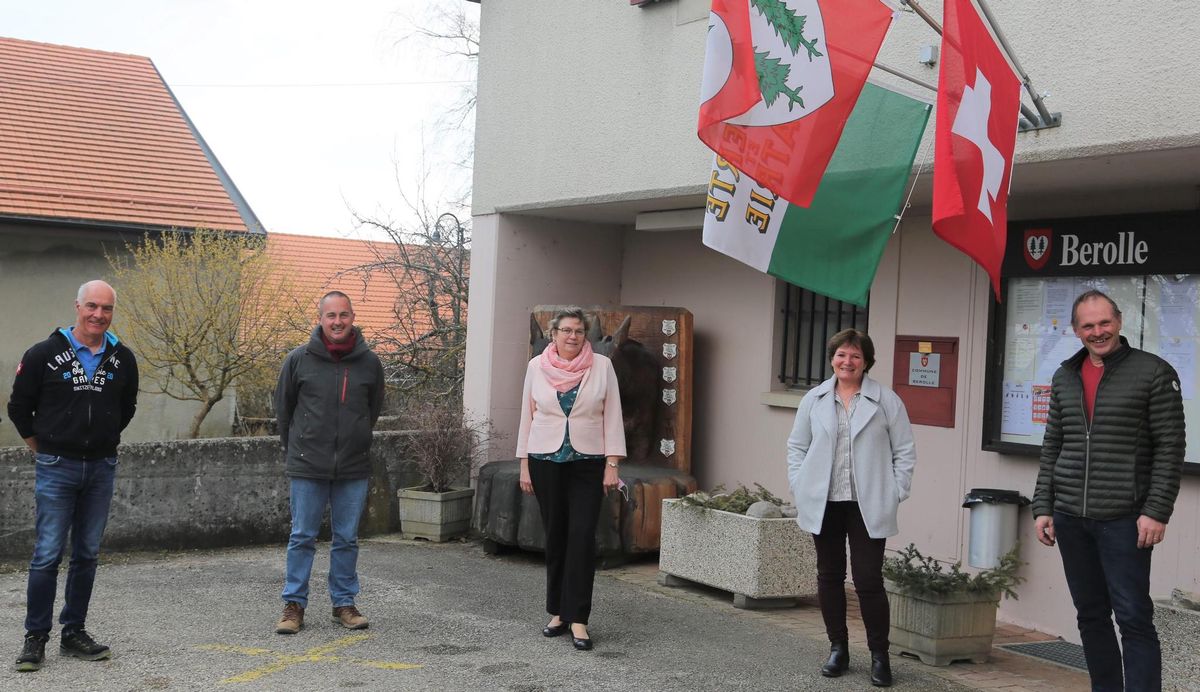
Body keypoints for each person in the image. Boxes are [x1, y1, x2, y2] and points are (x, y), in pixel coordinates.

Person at [1032, 289, 1184, 691]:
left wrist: (1157, 510)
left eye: (1104, 322)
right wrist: (1043, 506)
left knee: (1133, 618)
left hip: (1125, 519)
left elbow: (1171, 448)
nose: (1098, 331)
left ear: (1118, 321)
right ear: (1075, 330)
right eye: (1088, 325)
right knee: (1090, 616)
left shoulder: (1154, 371)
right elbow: (1053, 444)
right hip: (1070, 516)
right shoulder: (1065, 375)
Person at [9, 280, 139, 673]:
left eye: (107, 309)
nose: (99, 315)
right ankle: (35, 638)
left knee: (87, 554)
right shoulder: (43, 354)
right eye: (92, 307)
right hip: (56, 466)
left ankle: (74, 632)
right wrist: (44, 448)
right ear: (77, 307)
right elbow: (18, 409)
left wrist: (103, 440)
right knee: (47, 554)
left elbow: (126, 408)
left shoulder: (124, 358)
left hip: (101, 467)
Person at [786, 329, 915, 688]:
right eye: (842, 354)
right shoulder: (814, 399)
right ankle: (838, 648)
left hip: (867, 502)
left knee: (868, 579)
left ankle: (879, 655)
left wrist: (896, 491)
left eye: (856, 356)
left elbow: (904, 451)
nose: (848, 362)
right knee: (828, 576)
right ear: (832, 358)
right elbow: (797, 447)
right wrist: (800, 485)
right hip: (824, 501)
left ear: (867, 362)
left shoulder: (886, 401)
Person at [273, 291, 385, 635]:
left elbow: (373, 410)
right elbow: (283, 410)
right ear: (320, 318)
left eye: (344, 315)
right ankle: (294, 605)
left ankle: (344, 604)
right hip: (307, 465)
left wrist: (353, 439)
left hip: (353, 467)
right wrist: (300, 449)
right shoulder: (298, 359)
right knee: (302, 536)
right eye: (330, 315)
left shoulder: (370, 363)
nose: (337, 321)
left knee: (347, 538)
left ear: (353, 317)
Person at [516, 307, 625, 651]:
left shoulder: (602, 366)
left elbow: (613, 416)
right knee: (557, 536)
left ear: (585, 335)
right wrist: (524, 465)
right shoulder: (536, 367)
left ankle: (579, 618)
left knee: (581, 536)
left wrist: (612, 464)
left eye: (579, 331)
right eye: (566, 330)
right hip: (545, 460)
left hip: (588, 464)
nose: (573, 336)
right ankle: (557, 613)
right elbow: (526, 417)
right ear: (554, 333)